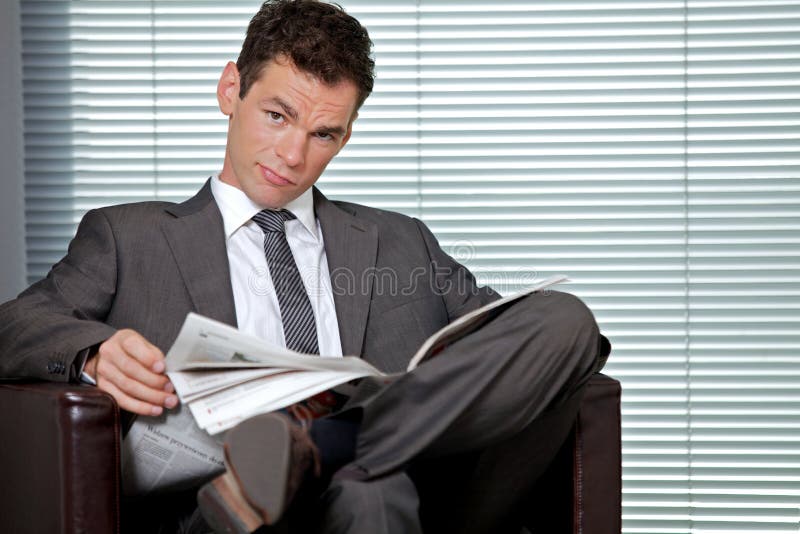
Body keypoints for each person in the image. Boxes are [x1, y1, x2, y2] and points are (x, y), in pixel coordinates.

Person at [0, 1, 610, 533]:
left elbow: (510, 345)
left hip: (423, 502)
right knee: (373, 490)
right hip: (233, 514)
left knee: (565, 320)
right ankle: (324, 453)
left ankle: (327, 442)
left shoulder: (402, 242)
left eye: (323, 134)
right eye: (277, 116)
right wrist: (94, 352)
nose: (293, 155)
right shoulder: (129, 237)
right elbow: (14, 325)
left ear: (345, 136)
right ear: (230, 89)